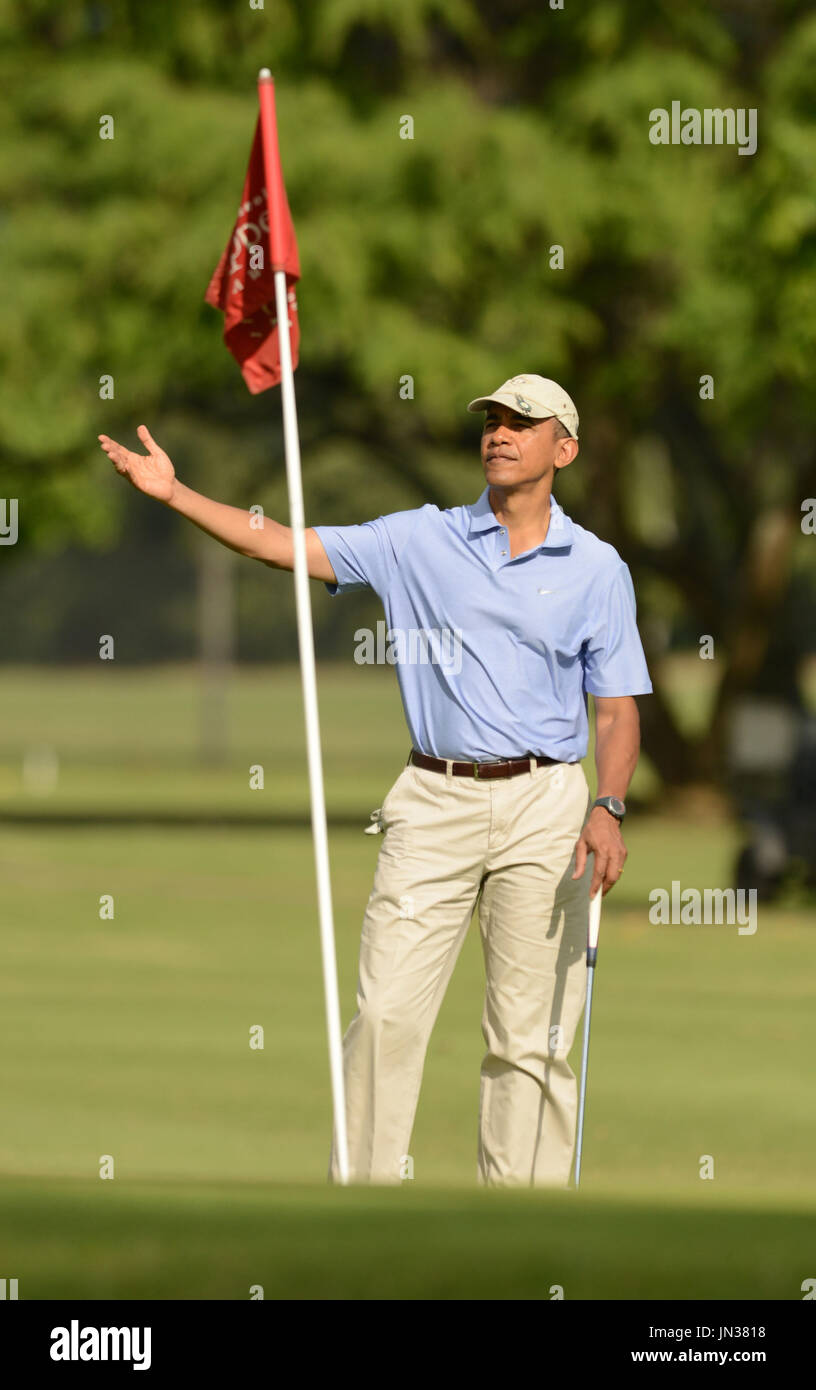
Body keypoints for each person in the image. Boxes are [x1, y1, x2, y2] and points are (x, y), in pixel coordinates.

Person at [98, 372, 652, 1188]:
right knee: (385, 1014)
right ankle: (364, 1205)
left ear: (562, 449)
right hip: (433, 798)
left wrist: (608, 804)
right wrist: (176, 492)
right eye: (493, 420)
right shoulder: (417, 539)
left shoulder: (598, 568)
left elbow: (615, 711)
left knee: (528, 1037)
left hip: (548, 803)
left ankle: (523, 1224)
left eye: (522, 423)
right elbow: (279, 542)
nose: (500, 433)